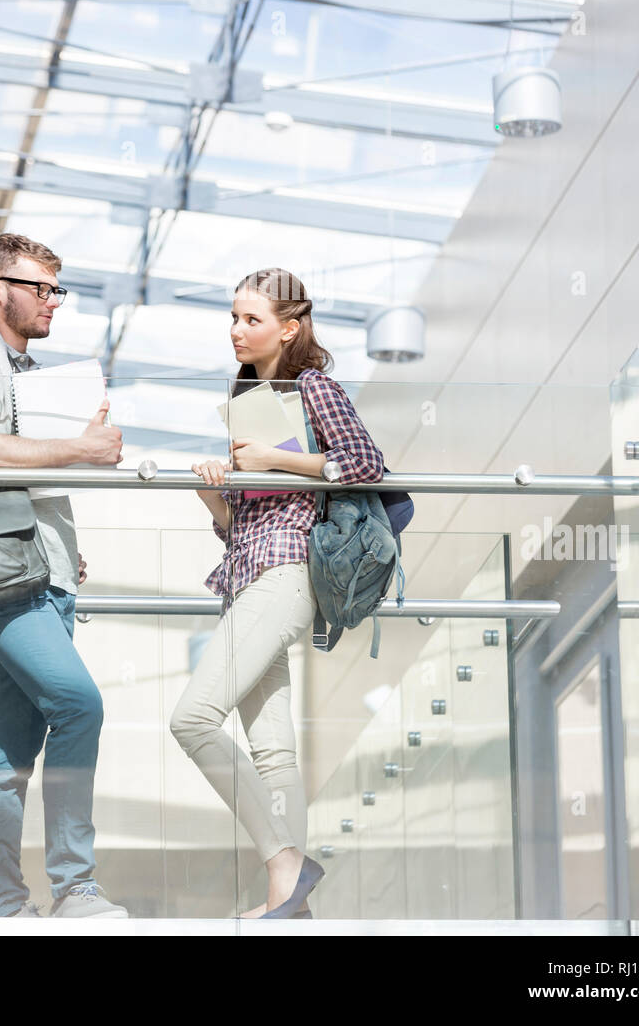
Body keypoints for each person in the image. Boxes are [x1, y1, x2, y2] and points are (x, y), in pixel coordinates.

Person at [170, 268, 384, 918]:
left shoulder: (312, 385)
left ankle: (285, 862)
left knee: (193, 718)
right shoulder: (247, 398)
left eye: (252, 319)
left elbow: (365, 462)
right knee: (271, 748)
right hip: (246, 577)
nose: (237, 331)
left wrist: (271, 458)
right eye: (233, 318)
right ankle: (289, 902)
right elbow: (240, 524)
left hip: (288, 573)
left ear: (289, 327)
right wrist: (215, 484)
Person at [0, 232, 127, 919]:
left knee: (6, 748)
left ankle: (0, 903)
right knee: (79, 705)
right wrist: (82, 446)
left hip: (39, 569)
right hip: (0, 570)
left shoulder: (21, 364)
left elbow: (15, 462)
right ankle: (75, 886)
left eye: (56, 289)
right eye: (38, 287)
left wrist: (58, 544)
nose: (52, 301)